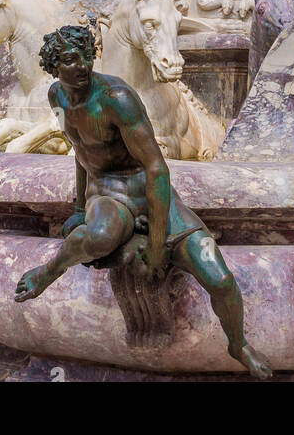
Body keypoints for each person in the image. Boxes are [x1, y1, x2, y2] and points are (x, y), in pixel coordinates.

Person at [14, 24, 272, 379]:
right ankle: (46, 273)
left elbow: (157, 169)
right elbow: (80, 150)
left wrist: (156, 243)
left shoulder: (116, 98)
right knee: (101, 235)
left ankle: (237, 343)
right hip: (108, 193)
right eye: (72, 60)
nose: (84, 66)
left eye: (88, 56)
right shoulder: (56, 97)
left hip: (150, 192)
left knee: (221, 278)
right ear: (53, 65)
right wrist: (78, 208)